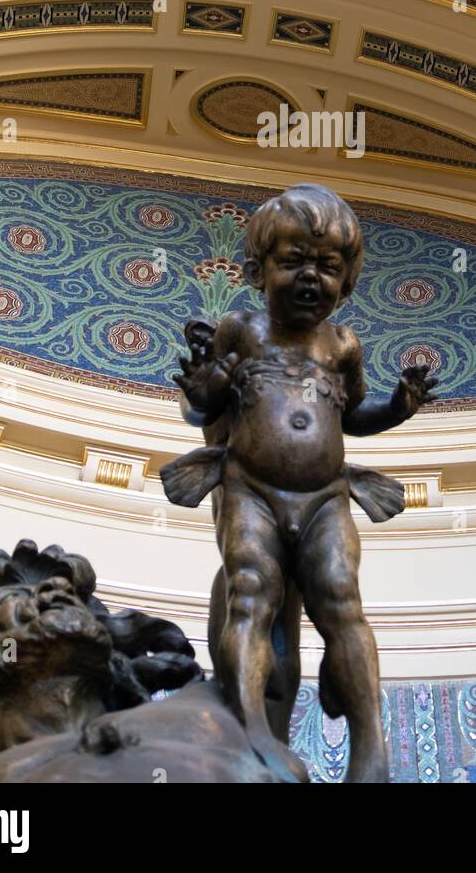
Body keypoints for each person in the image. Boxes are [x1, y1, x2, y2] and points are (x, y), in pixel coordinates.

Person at [161, 184, 437, 783]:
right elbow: (208, 408)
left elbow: (352, 418)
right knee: (252, 591)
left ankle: (370, 747)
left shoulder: (342, 345)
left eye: (328, 268)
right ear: (258, 271)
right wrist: (204, 384)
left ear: (348, 280)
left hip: (326, 497)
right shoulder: (243, 330)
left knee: (341, 596)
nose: (311, 278)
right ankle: (253, 730)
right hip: (250, 490)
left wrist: (396, 408)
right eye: (293, 264)